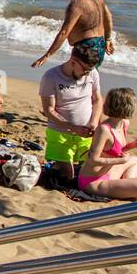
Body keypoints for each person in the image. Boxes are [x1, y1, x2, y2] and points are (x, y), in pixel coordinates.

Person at [76, 88, 137, 201]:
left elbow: (116, 150)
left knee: (134, 160)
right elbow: (93, 159)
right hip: (93, 181)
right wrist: (120, 161)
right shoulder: (104, 130)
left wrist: (133, 145)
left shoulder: (124, 124)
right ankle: (132, 191)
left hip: (109, 172)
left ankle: (129, 189)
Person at [38, 48, 102, 180]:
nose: (86, 74)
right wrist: (73, 128)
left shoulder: (92, 73)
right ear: (73, 61)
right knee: (67, 176)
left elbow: (97, 99)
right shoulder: (51, 77)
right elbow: (49, 111)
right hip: (60, 133)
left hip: (86, 133)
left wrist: (94, 122)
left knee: (89, 173)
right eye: (85, 70)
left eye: (89, 71)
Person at [32, 0, 115, 69]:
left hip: (85, 49)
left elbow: (64, 32)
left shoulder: (75, 5)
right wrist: (108, 38)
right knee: (88, 79)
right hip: (100, 45)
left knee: (67, 77)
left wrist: (47, 55)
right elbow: (108, 15)